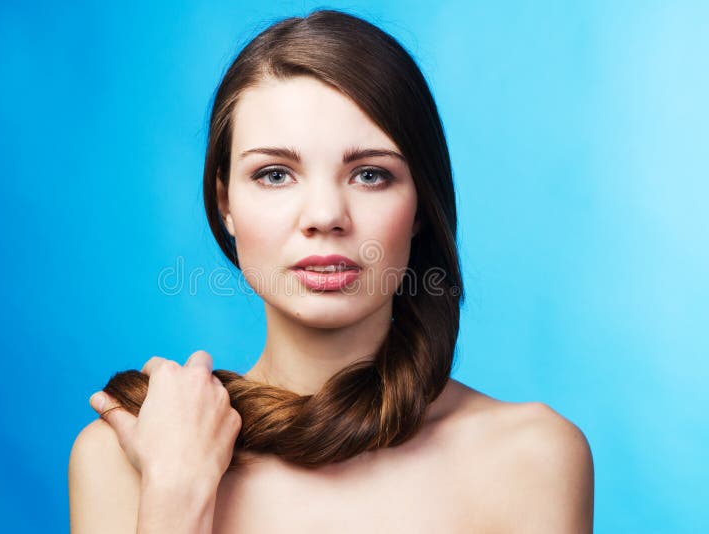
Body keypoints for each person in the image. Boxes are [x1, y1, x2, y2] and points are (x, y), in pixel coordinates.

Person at [68, 9, 594, 534]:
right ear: (224, 202)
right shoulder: (129, 452)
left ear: (420, 209)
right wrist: (176, 496)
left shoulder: (531, 458)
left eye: (370, 174)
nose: (324, 216)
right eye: (275, 174)